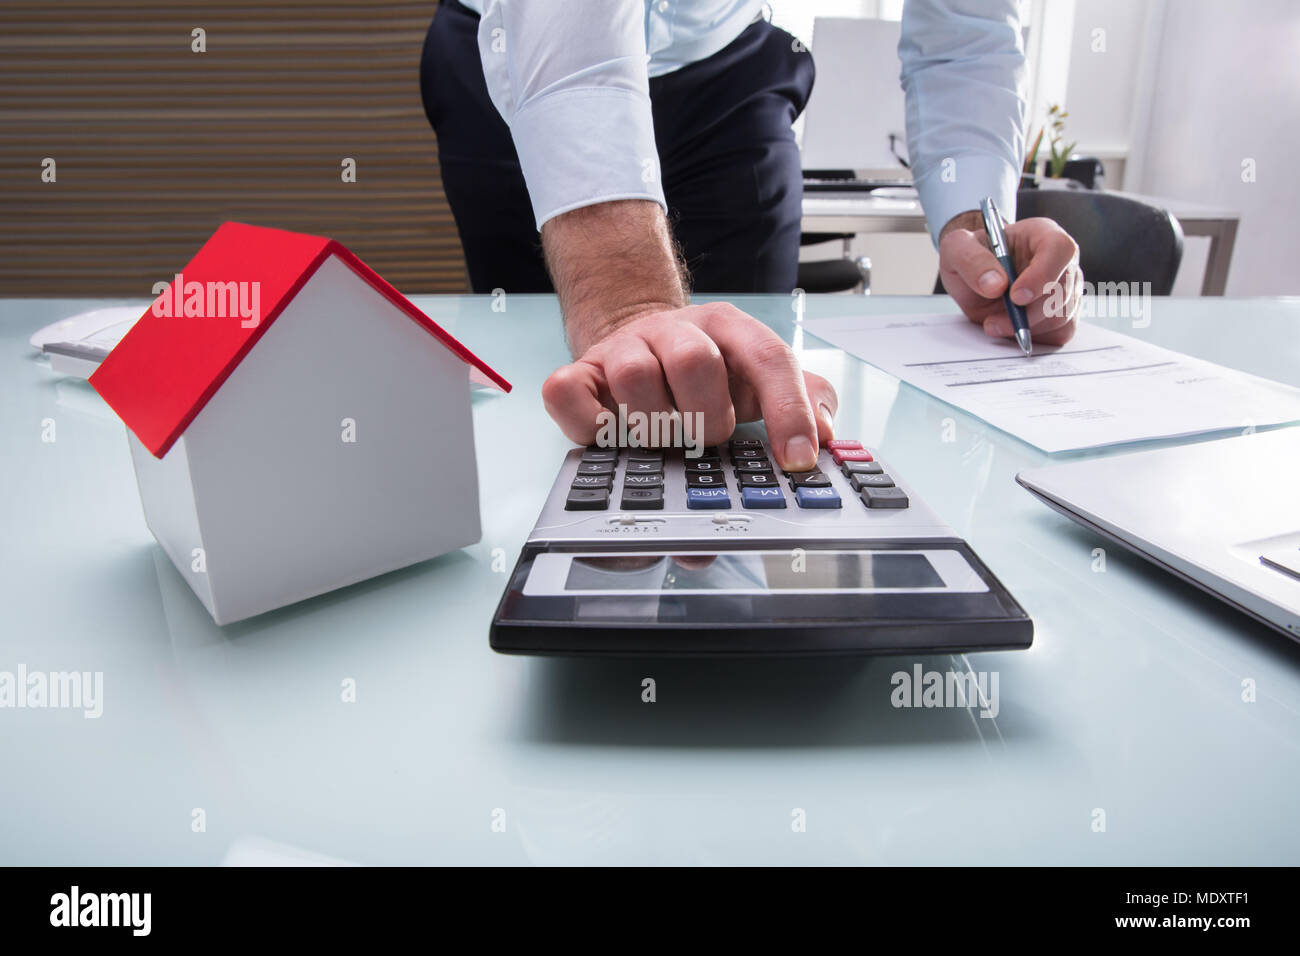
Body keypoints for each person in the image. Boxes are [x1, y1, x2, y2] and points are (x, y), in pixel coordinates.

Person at [419, 0, 1082, 471]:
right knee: (553, 384)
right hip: (517, 40)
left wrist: (975, 220)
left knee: (742, 401)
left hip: (724, 61)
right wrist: (624, 302)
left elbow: (962, 32)